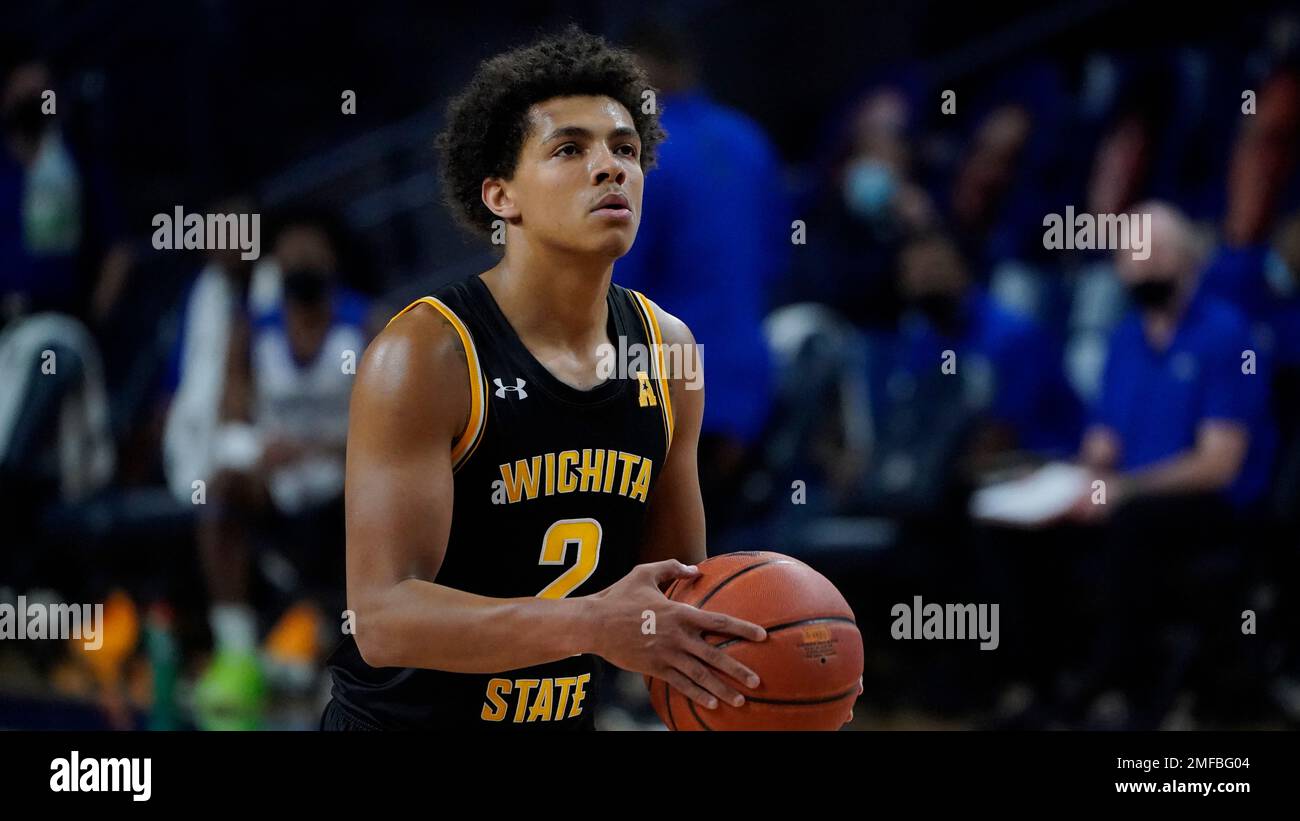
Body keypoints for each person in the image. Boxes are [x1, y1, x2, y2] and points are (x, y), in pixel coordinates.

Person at [323, 27, 853, 731]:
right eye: (570, 149)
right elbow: (383, 618)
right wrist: (591, 623)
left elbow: (673, 604)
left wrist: (777, 671)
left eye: (625, 149)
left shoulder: (667, 353)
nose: (610, 167)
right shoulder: (427, 353)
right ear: (500, 195)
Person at [194, 216, 369, 728]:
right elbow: (230, 421)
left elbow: (393, 425)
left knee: (386, 494)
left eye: (310, 259)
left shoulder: (366, 324)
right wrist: (255, 451)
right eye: (290, 260)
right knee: (218, 492)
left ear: (331, 265)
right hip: (278, 483)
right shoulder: (252, 329)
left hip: (345, 481)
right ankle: (237, 652)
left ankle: (360, 656)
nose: (300, 268)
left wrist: (322, 447)